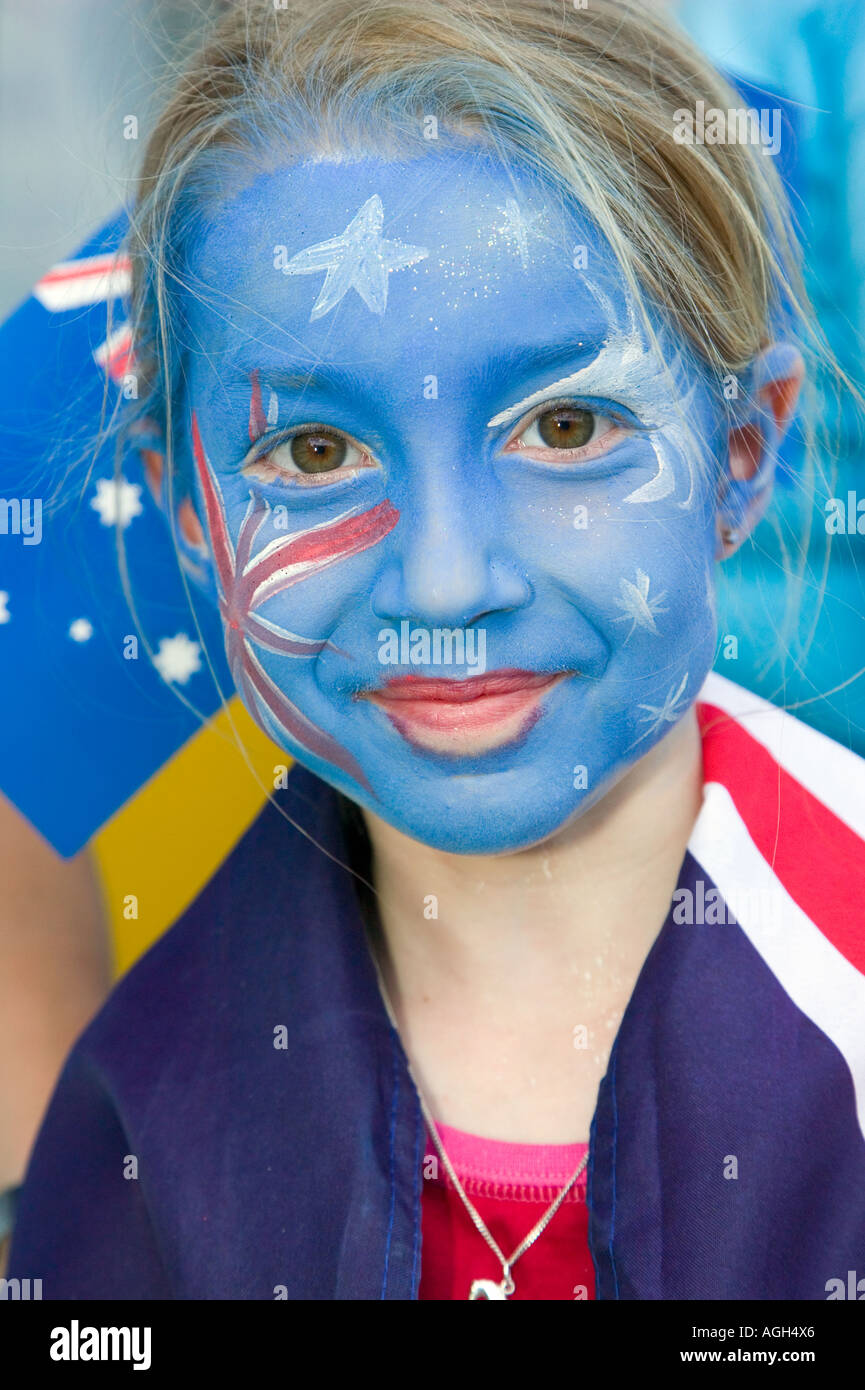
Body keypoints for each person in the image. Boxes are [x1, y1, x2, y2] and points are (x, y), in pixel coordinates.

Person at [7, 0, 865, 1301]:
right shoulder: (125, 1122)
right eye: (312, 453)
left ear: (743, 455)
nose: (445, 585)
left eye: (566, 426)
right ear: (187, 512)